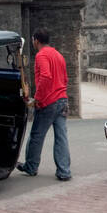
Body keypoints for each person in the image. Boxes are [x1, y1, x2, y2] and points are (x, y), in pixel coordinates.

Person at [17, 29, 71, 180]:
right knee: (61, 136)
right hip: (62, 99)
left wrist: (38, 99)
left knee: (36, 135)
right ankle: (64, 171)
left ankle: (31, 166)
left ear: (36, 40)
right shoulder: (58, 55)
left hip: (48, 101)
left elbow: (46, 77)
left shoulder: (41, 56)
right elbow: (65, 79)